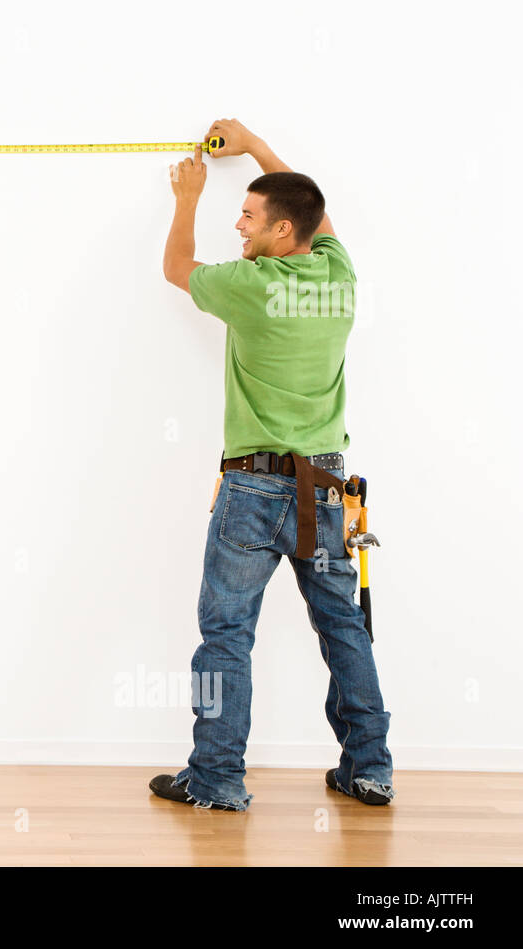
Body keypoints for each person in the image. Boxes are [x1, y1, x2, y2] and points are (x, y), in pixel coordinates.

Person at [149, 118, 394, 811]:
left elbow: (174, 268)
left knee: (225, 633)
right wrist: (255, 146)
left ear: (282, 233)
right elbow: (311, 206)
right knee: (342, 623)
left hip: (253, 487)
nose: (240, 225)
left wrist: (187, 195)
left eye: (250, 216)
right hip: (323, 486)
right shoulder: (339, 276)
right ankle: (370, 768)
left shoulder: (250, 285)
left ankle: (218, 778)